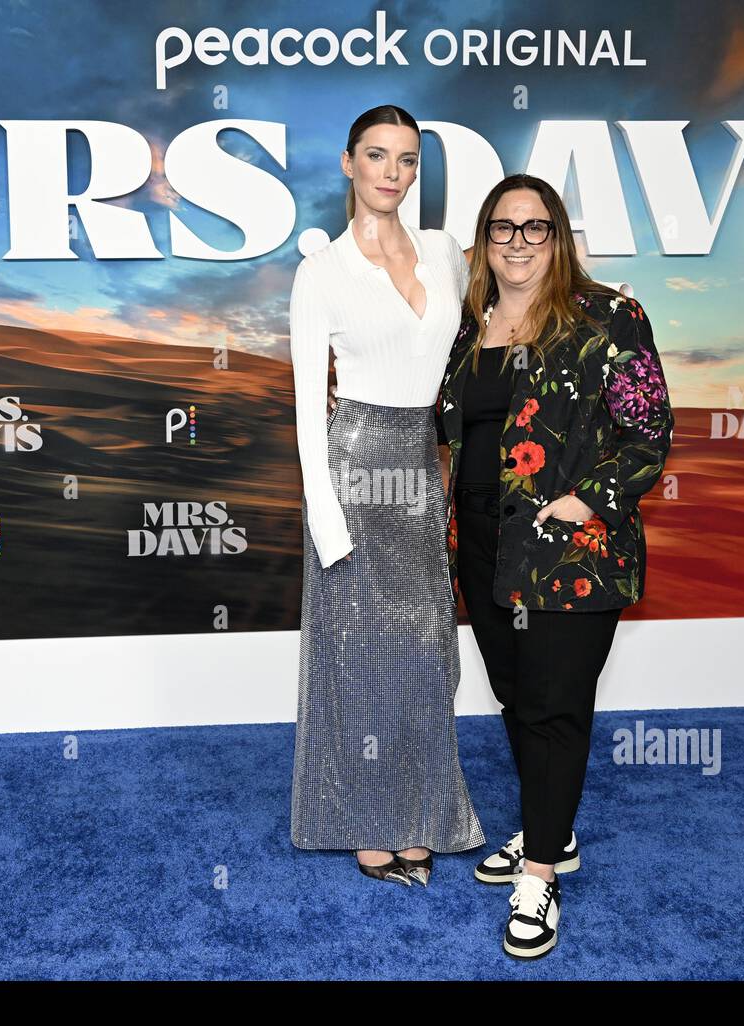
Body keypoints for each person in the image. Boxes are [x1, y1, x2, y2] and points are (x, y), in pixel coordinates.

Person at [439, 174, 674, 957]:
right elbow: (454, 432)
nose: (517, 242)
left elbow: (649, 434)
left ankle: (540, 874)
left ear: (559, 237)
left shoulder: (609, 316)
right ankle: (553, 828)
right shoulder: (473, 329)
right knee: (515, 695)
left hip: (569, 552)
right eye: (502, 228)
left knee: (554, 705)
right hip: (482, 548)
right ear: (484, 241)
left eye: (534, 228)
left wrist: (586, 500)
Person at [288, 104, 485, 886]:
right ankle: (369, 819)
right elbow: (308, 410)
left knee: (426, 648)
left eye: (407, 159)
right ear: (348, 164)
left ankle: (423, 810)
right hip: (355, 466)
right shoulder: (321, 272)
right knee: (361, 651)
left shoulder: (443, 252)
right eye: (377, 156)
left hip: (420, 462)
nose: (393, 173)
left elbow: (498, 313)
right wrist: (326, 523)